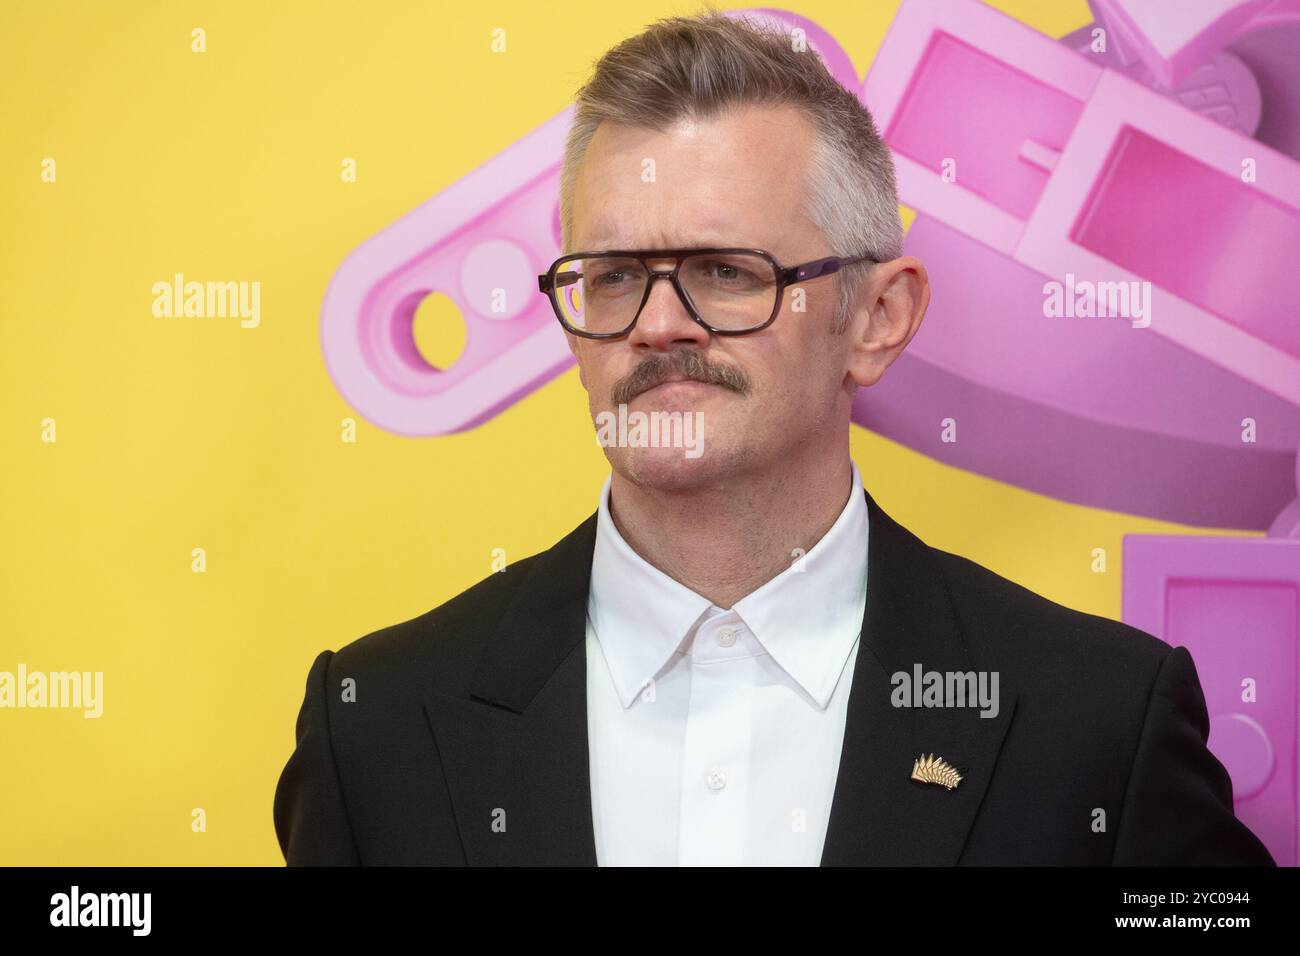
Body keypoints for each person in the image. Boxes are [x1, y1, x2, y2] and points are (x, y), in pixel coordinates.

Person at [274, 10, 1274, 866]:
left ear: (876, 317)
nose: (657, 324)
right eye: (614, 276)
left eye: (725, 270)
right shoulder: (377, 724)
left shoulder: (1099, 721)